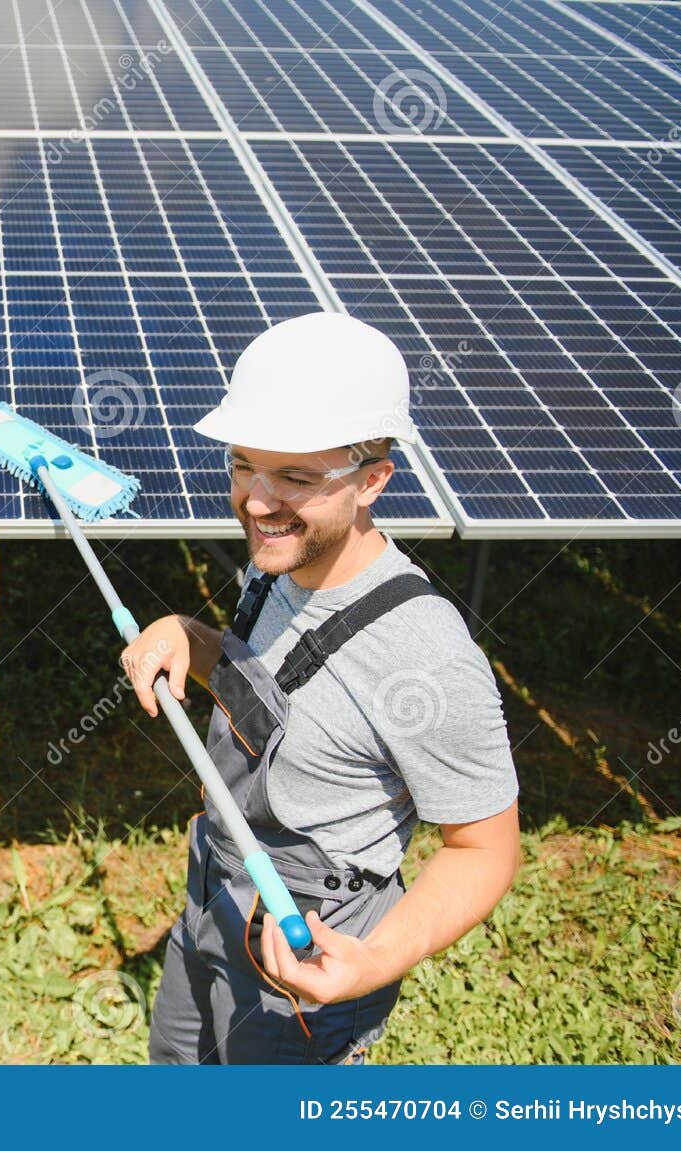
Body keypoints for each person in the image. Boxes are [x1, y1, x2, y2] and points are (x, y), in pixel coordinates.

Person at [122, 312, 520, 1065]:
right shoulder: (284, 562)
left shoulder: (426, 658)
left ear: (373, 480)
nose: (257, 501)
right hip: (212, 893)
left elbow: (483, 851)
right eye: (243, 464)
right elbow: (269, 690)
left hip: (303, 966)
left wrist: (371, 963)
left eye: (297, 478)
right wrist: (189, 635)